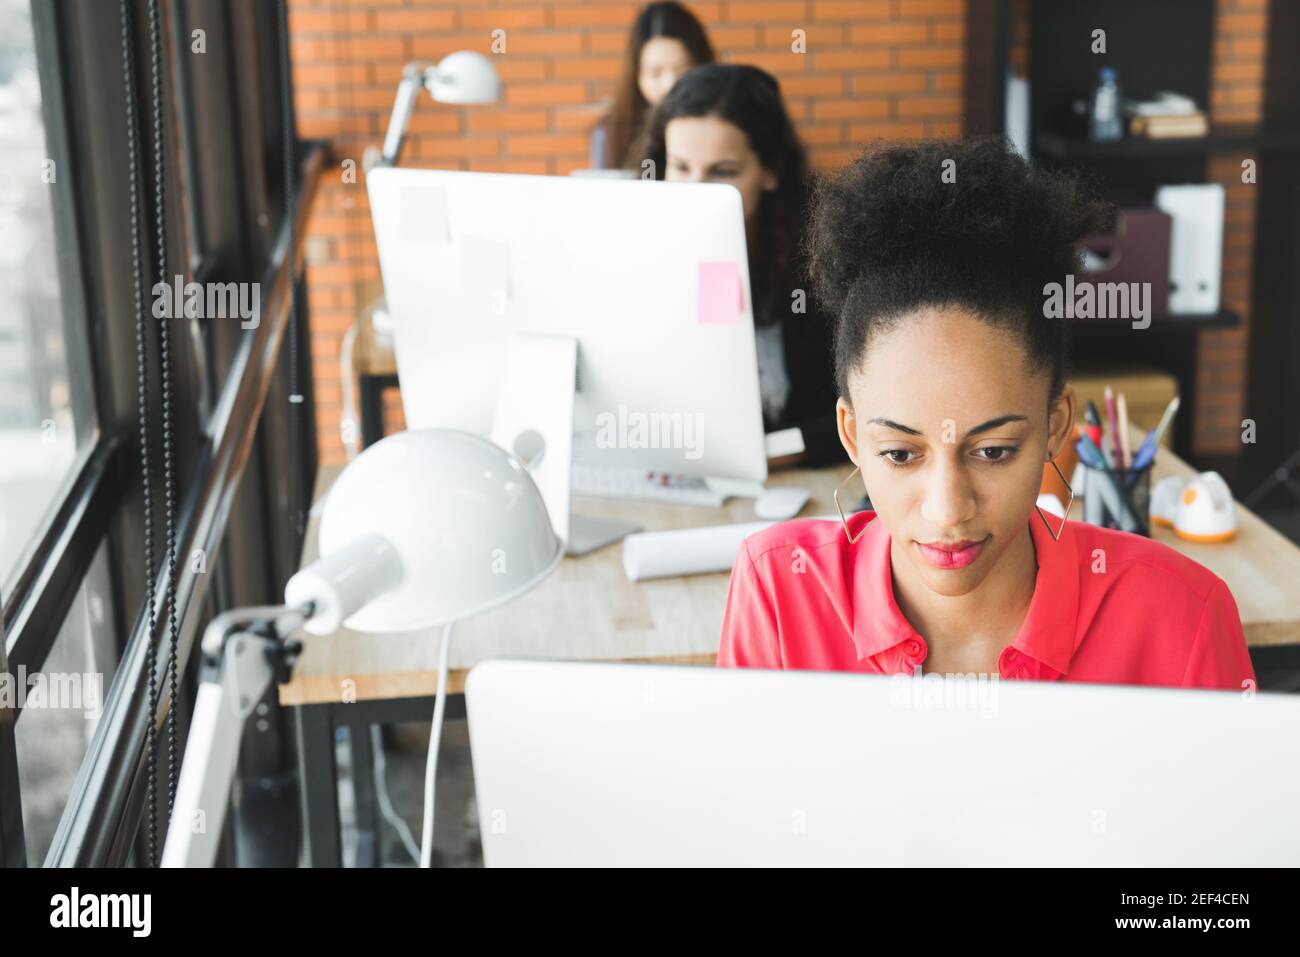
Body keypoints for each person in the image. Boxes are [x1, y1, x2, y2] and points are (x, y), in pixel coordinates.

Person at [717, 137, 1256, 690]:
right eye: (900, 454)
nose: (949, 510)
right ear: (852, 436)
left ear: (1055, 424)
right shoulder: (779, 593)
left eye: (993, 451)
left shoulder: (1182, 617)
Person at [635, 63, 842, 467]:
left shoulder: (824, 261)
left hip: (807, 487)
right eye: (679, 167)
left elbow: (866, 411)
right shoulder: (643, 265)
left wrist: (773, 454)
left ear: (769, 171)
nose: (694, 194)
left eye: (722, 172)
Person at [589, 1, 714, 170]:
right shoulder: (611, 134)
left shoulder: (721, 124)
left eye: (682, 70)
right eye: (655, 72)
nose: (669, 85)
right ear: (637, 75)